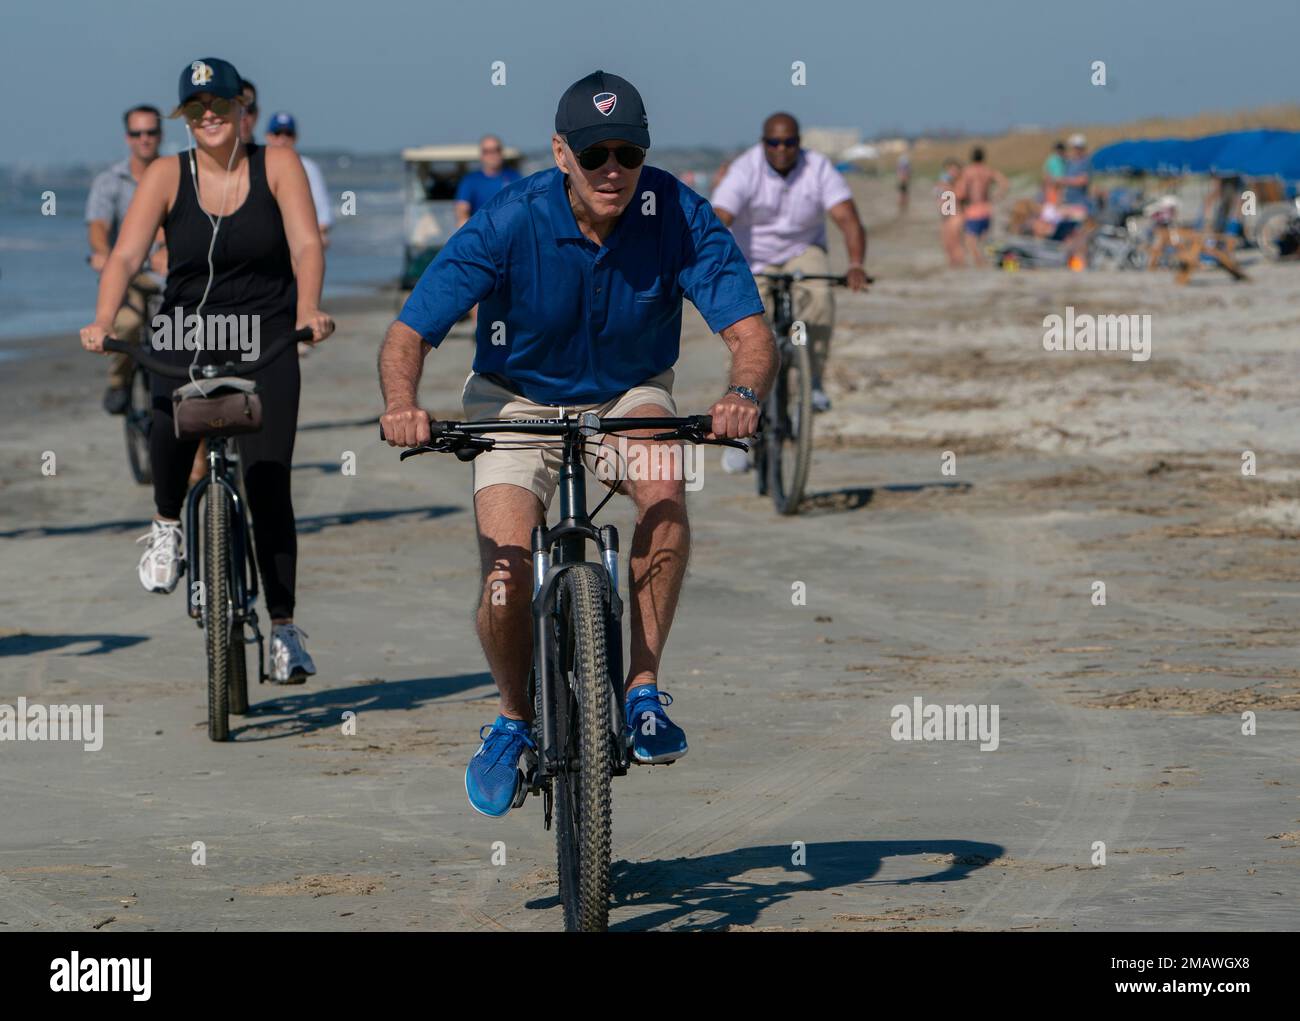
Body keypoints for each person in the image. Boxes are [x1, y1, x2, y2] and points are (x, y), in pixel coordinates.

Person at [379, 70, 773, 818]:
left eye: (628, 152)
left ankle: (644, 690)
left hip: (630, 392)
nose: (613, 171)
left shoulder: (677, 213)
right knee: (504, 569)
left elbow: (750, 334)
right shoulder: (508, 218)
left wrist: (742, 394)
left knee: (664, 485)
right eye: (595, 155)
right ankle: (512, 720)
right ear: (561, 153)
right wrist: (403, 404)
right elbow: (409, 333)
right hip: (515, 398)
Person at [79, 56, 334, 683]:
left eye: (221, 105)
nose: (210, 116)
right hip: (186, 329)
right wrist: (103, 318)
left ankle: (283, 629)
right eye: (196, 109)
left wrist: (308, 310)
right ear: (184, 118)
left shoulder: (277, 164)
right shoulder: (167, 174)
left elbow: (305, 243)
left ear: (242, 109)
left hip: (267, 329)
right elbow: (126, 253)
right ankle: (167, 524)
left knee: (269, 477)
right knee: (166, 427)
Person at [709, 111, 868, 432]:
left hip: (802, 251)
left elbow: (848, 218)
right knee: (743, 326)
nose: (781, 149)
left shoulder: (818, 167)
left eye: (789, 142)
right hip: (752, 257)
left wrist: (855, 264)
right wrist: (707, 262)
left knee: (821, 297)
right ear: (763, 143)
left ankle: (815, 382)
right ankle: (740, 411)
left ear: (799, 143)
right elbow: (719, 217)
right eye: (774, 143)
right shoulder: (745, 169)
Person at [87, 105, 167, 414]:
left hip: (166, 274)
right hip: (129, 275)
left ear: (160, 135)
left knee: (179, 331)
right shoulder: (109, 182)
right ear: (127, 137)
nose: (144, 139)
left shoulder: (175, 173)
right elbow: (98, 226)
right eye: (137, 133)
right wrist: (102, 253)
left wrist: (168, 250)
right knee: (128, 324)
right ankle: (119, 381)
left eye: (151, 132)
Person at [266, 112, 333, 249]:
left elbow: (324, 213)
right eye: (277, 133)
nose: (282, 139)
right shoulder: (256, 165)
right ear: (268, 136)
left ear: (295, 137)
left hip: (298, 241)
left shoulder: (309, 168)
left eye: (288, 134)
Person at [952, 146, 1008, 266]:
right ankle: (985, 262)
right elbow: (1004, 183)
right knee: (983, 242)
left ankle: (980, 264)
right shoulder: (988, 171)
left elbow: (961, 192)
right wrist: (996, 196)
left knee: (970, 242)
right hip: (987, 209)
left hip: (973, 210)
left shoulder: (968, 172)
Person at [454, 135, 522, 229]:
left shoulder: (515, 178)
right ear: (481, 155)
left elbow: (521, 208)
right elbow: (462, 211)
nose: (492, 155)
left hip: (509, 231)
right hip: (481, 233)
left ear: (501, 152)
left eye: (496, 150)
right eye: (487, 151)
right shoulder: (470, 181)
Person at [937, 157, 965, 267]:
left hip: (956, 215)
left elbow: (961, 195)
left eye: (953, 170)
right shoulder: (945, 181)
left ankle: (961, 266)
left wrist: (949, 187)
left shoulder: (960, 182)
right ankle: (953, 268)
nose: (950, 172)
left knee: (955, 244)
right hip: (946, 216)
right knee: (947, 245)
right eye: (948, 170)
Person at [896, 144, 912, 215]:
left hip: (903, 177)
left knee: (904, 192)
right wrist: (903, 176)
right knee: (903, 192)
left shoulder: (903, 159)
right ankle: (903, 203)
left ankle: (903, 203)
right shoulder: (903, 159)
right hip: (903, 178)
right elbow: (902, 169)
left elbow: (902, 169)